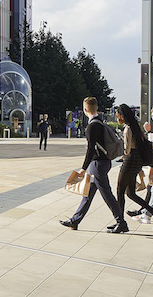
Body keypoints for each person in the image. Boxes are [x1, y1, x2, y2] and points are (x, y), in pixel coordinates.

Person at [59, 97, 123, 232]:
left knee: (106, 193)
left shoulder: (92, 126)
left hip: (98, 164)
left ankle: (121, 221)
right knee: (88, 193)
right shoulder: (100, 122)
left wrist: (83, 167)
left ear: (85, 109)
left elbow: (90, 149)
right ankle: (75, 220)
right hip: (103, 162)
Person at [113, 104, 153, 232]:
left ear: (121, 115)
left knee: (120, 192)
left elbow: (127, 149)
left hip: (130, 160)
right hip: (137, 161)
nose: (116, 118)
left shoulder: (128, 129)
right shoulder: (136, 127)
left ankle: (120, 223)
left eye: (117, 115)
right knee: (130, 193)